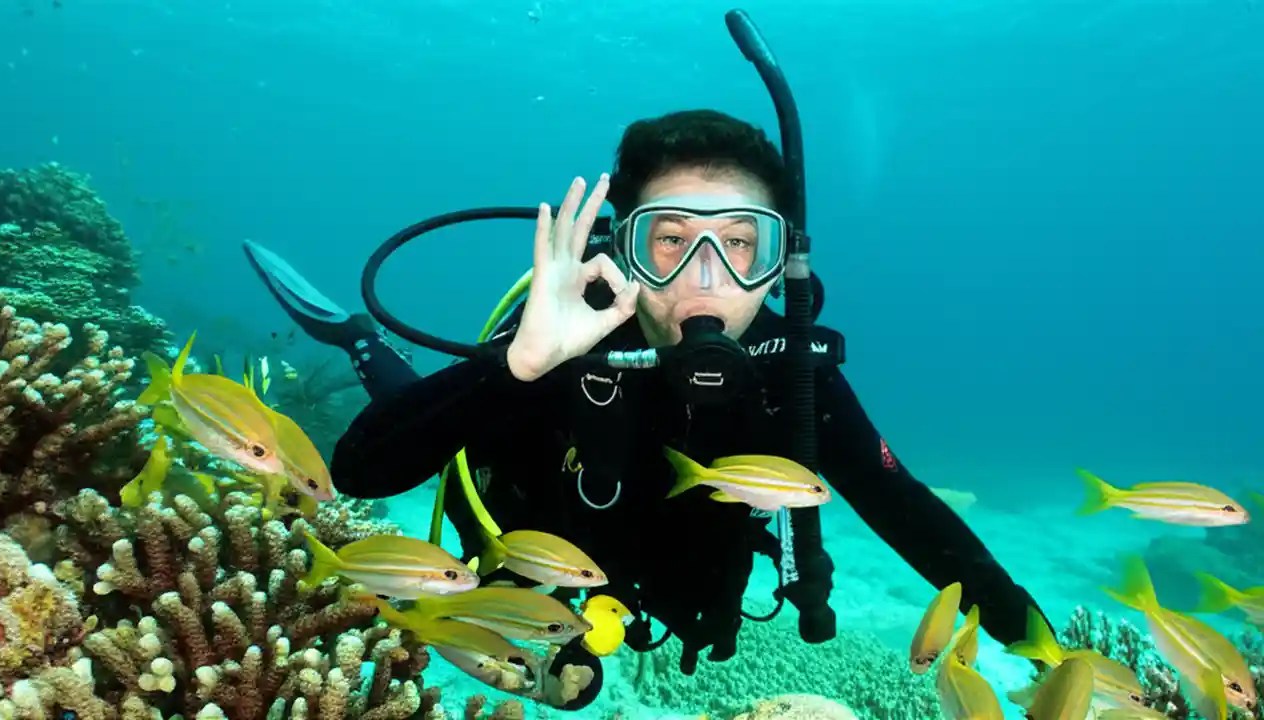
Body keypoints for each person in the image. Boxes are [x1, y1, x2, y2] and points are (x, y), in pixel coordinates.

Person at [245, 109, 1047, 709]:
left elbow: (912, 517)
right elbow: (360, 470)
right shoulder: (568, 341)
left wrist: (1048, 654)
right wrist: (520, 366)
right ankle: (357, 340)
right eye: (670, 240)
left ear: (779, 267)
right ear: (624, 248)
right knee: (425, 398)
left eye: (741, 243)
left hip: (662, 597)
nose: (706, 280)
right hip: (531, 566)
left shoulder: (790, 375)